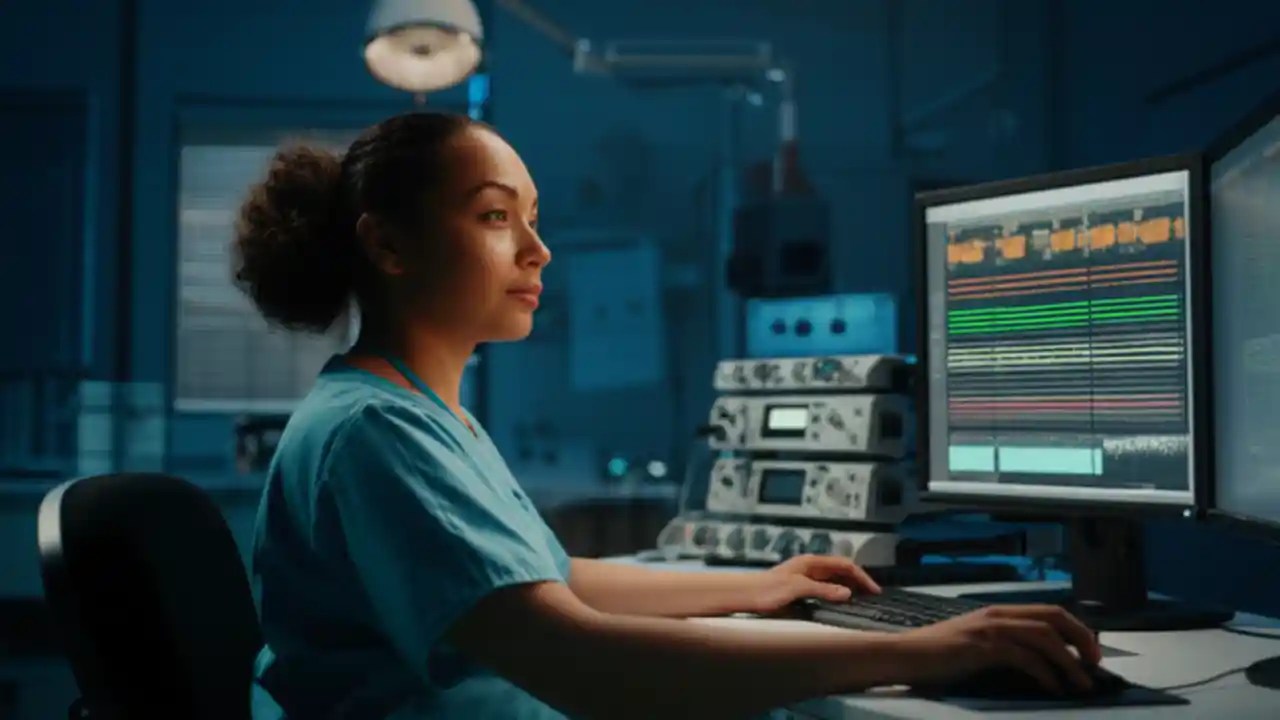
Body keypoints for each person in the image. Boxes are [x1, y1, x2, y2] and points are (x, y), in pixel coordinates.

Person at [234, 111, 1102, 720]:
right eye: (495, 217)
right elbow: (587, 666)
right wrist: (926, 650)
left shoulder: (415, 410)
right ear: (387, 244)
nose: (539, 250)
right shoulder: (374, 435)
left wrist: (754, 587)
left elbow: (547, 579)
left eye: (533, 220)